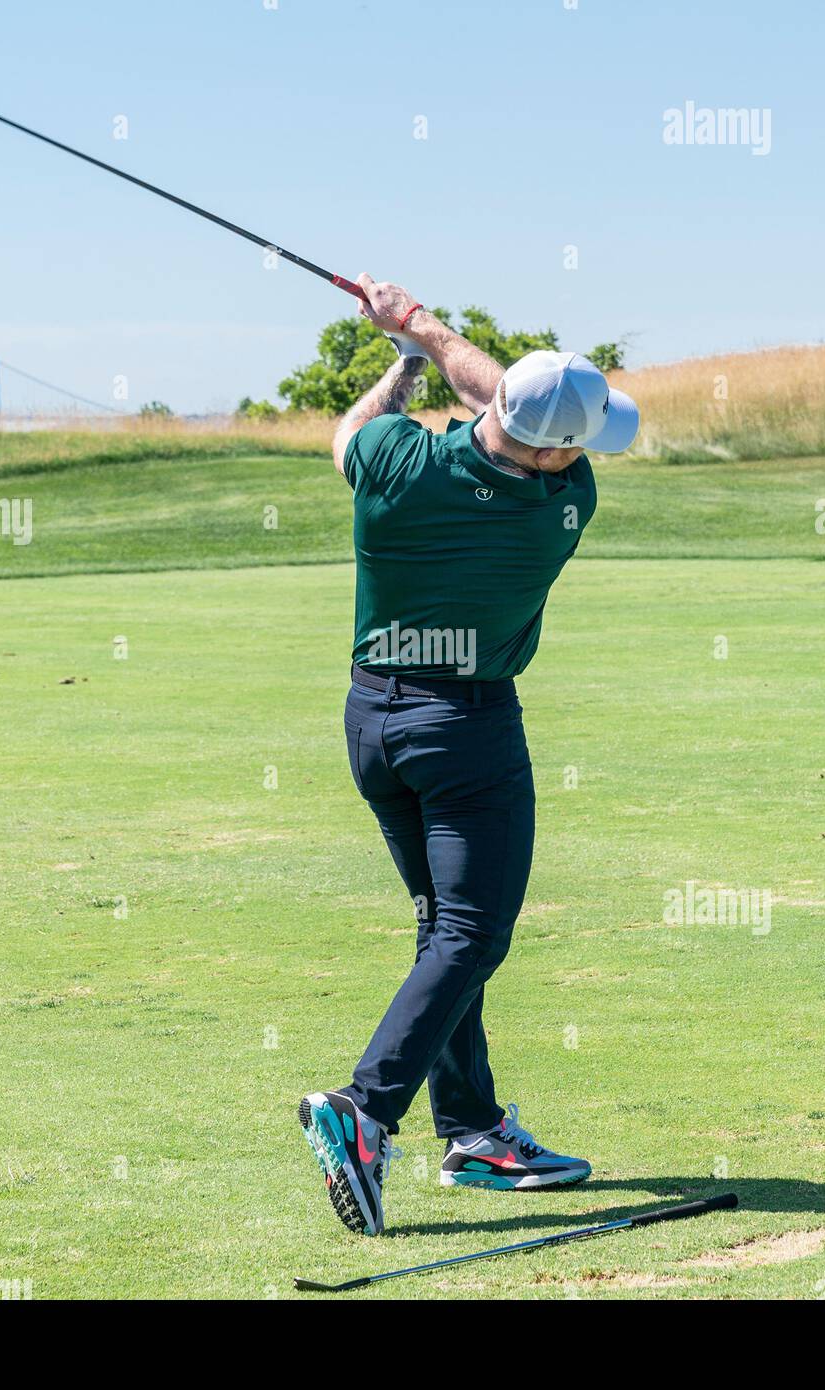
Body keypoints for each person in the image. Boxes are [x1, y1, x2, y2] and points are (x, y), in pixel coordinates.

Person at [299, 274, 640, 1236]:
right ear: (556, 448)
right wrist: (428, 328)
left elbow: (361, 433)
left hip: (373, 723)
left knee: (439, 925)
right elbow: (508, 407)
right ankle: (364, 1110)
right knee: (473, 933)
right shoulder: (561, 502)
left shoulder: (391, 462)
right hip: (467, 730)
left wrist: (405, 350)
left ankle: (475, 1129)